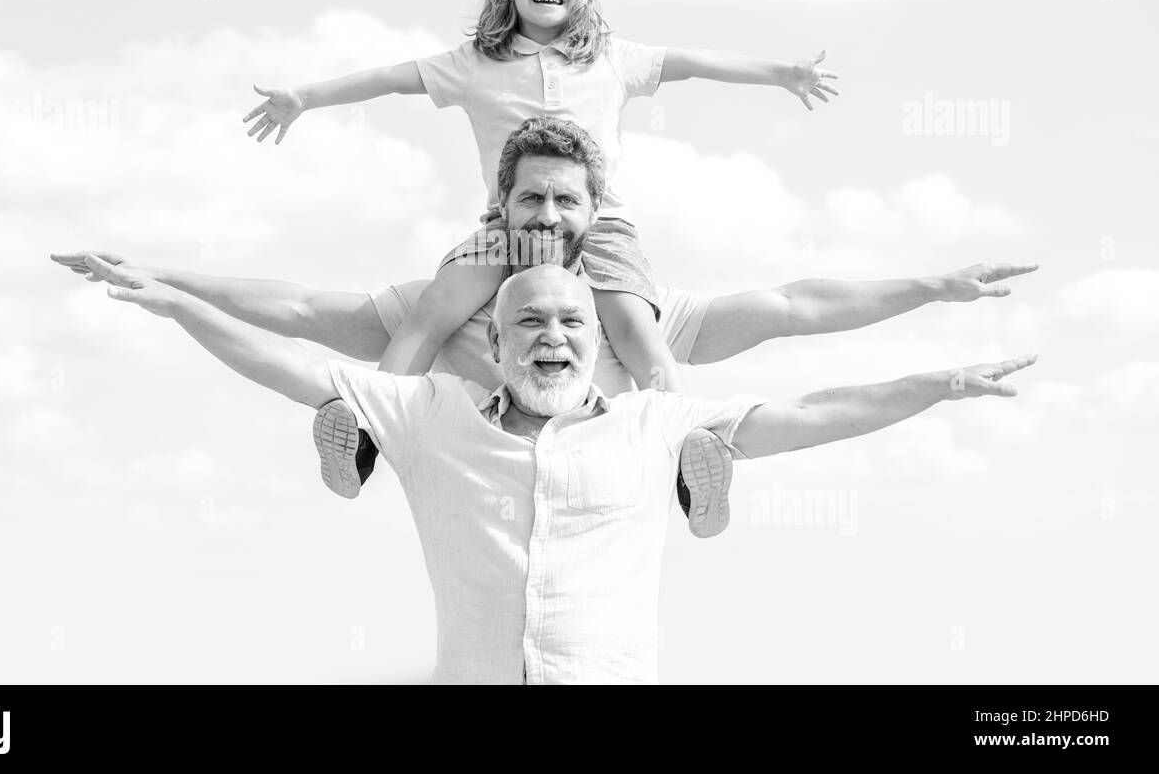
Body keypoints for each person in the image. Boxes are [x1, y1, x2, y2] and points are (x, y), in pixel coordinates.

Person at [62, 258, 1035, 684]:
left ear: (597, 340)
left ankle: (707, 491)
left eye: (573, 320)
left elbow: (810, 412)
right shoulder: (436, 411)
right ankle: (348, 448)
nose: (554, 334)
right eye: (530, 319)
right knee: (342, 400)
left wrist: (938, 379)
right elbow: (293, 357)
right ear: (493, 337)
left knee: (716, 442)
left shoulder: (655, 420)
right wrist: (175, 302)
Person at [53, 123, 1037, 536]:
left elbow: (792, 307)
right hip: (473, 481)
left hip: (600, 493)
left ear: (591, 208)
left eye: (566, 201)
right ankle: (355, 447)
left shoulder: (625, 298)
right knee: (384, 377)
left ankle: (695, 474)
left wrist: (933, 287)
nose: (546, 218)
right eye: (529, 199)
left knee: (689, 418)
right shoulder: (461, 286)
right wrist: (168, 276)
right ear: (501, 203)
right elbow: (306, 310)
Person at [240, 0, 840, 492]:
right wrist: (305, 97)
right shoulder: (474, 63)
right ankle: (365, 433)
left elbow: (690, 64)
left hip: (600, 230)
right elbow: (392, 79)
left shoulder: (609, 57)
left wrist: (780, 74)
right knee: (433, 310)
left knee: (639, 335)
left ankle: (686, 457)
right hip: (509, 226)